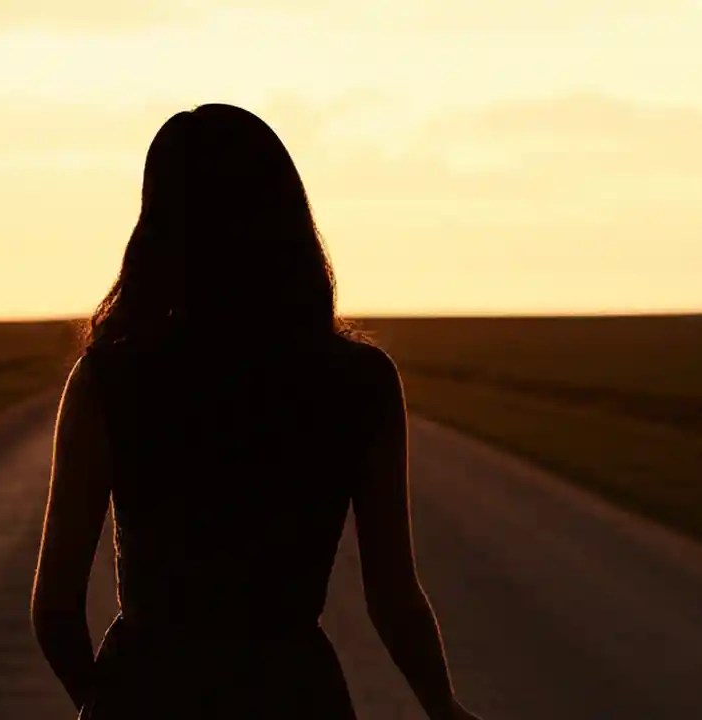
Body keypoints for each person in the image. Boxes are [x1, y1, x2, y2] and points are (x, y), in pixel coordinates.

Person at [31, 104, 481, 719]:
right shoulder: (359, 381)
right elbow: (394, 597)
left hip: (148, 683)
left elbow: (55, 607)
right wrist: (444, 708)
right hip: (293, 693)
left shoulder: (109, 377)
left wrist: (107, 703)